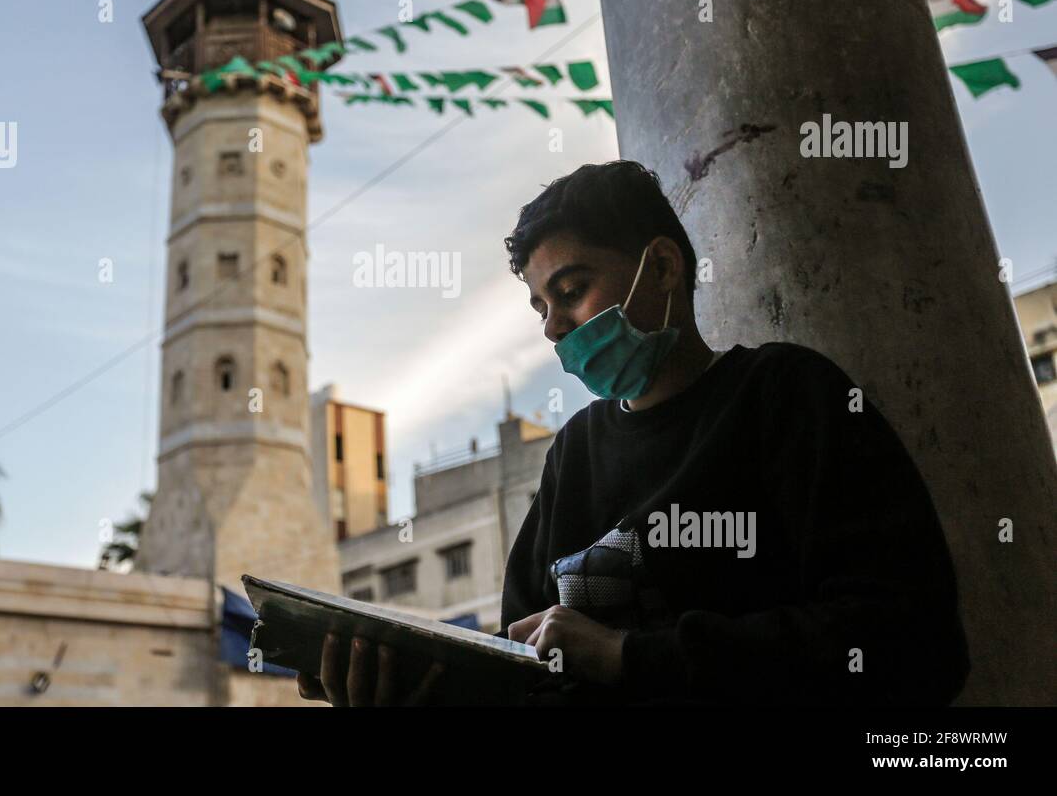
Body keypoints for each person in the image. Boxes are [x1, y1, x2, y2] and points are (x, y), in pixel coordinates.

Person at [298, 159, 969, 706]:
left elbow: (908, 640)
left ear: (664, 266)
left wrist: (627, 657)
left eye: (572, 288)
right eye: (541, 306)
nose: (553, 327)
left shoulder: (787, 397)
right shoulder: (574, 455)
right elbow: (520, 674)